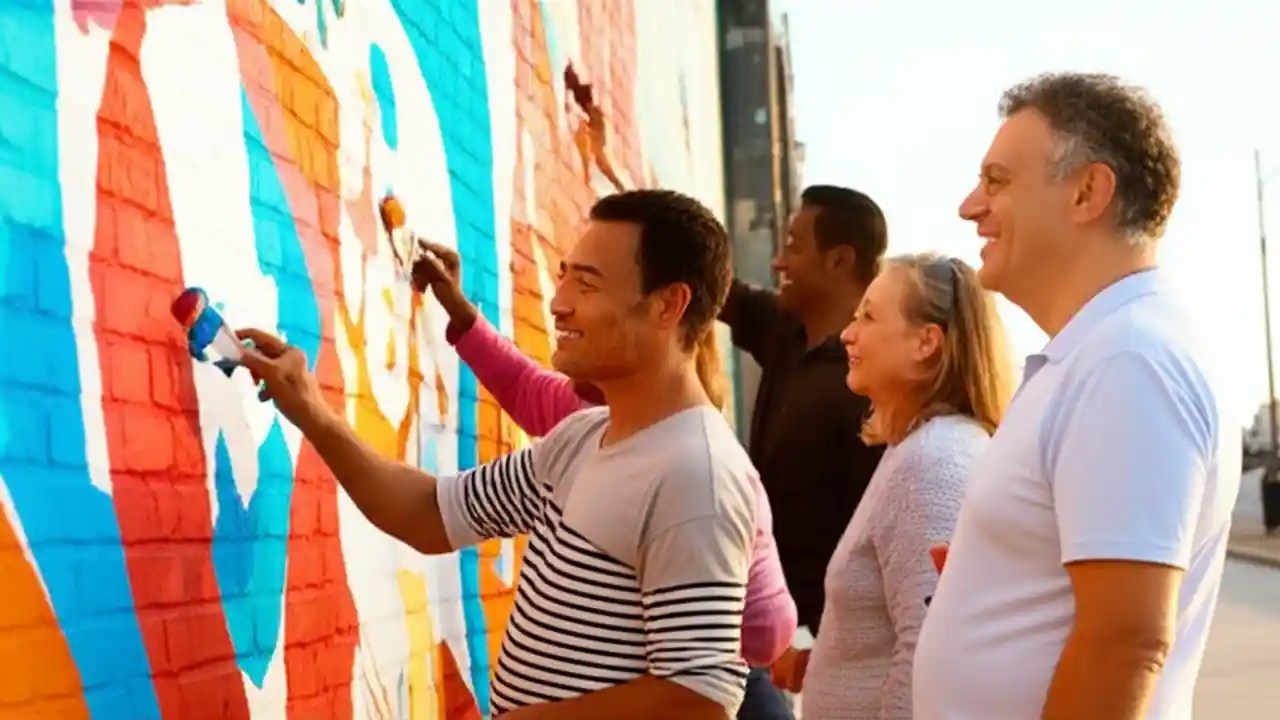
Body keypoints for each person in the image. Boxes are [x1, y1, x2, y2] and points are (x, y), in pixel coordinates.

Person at [238, 190, 757, 719]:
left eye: (587, 282)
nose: (559, 302)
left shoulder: (697, 474)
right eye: (564, 274)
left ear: (669, 305)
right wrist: (311, 411)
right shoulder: (581, 439)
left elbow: (700, 697)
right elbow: (428, 515)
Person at [913, 72, 1242, 720]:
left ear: (1087, 191)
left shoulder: (1128, 360)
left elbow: (1125, 642)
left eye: (998, 180)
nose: (970, 206)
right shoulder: (1099, 353)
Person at [410, 237, 797, 667]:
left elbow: (715, 678)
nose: (560, 307)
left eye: (588, 285)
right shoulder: (595, 424)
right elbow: (525, 388)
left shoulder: (698, 463)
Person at [775, 253, 1014, 719]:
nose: (847, 333)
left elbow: (928, 652)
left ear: (926, 342)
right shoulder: (914, 449)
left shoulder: (933, 460)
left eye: (868, 316)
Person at [722, 185, 888, 715]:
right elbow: (718, 288)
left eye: (794, 246)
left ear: (839, 259)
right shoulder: (786, 332)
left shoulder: (871, 385)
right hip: (751, 621)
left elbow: (874, 532)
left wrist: (820, 640)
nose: (778, 260)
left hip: (813, 645)